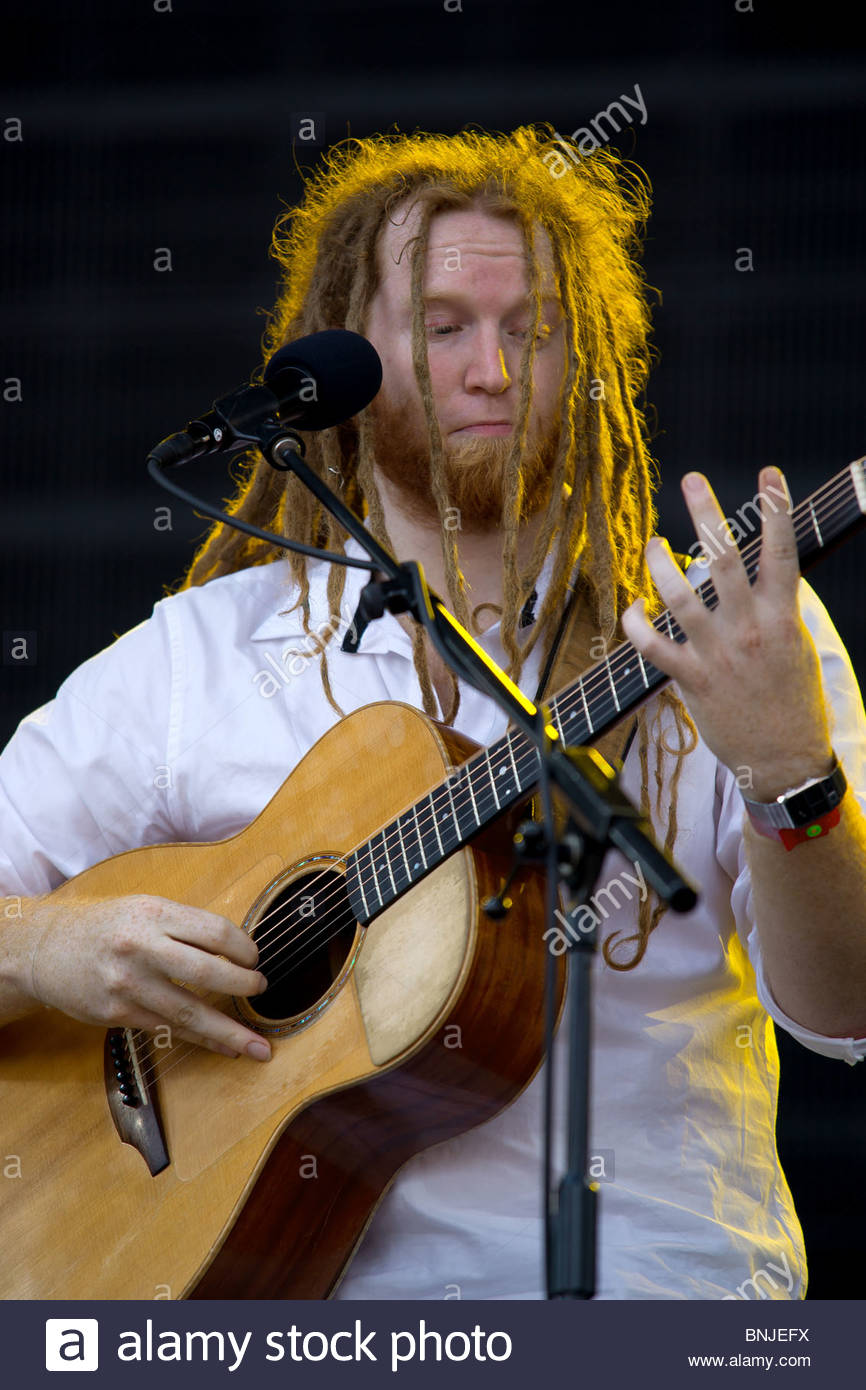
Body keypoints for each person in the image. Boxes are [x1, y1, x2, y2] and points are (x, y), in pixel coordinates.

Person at [1, 125, 865, 1300]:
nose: (493, 371)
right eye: (442, 327)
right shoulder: (199, 659)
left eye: (534, 331)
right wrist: (46, 945)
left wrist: (791, 779)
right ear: (348, 360)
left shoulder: (737, 634)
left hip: (647, 1308)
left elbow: (842, 1017)